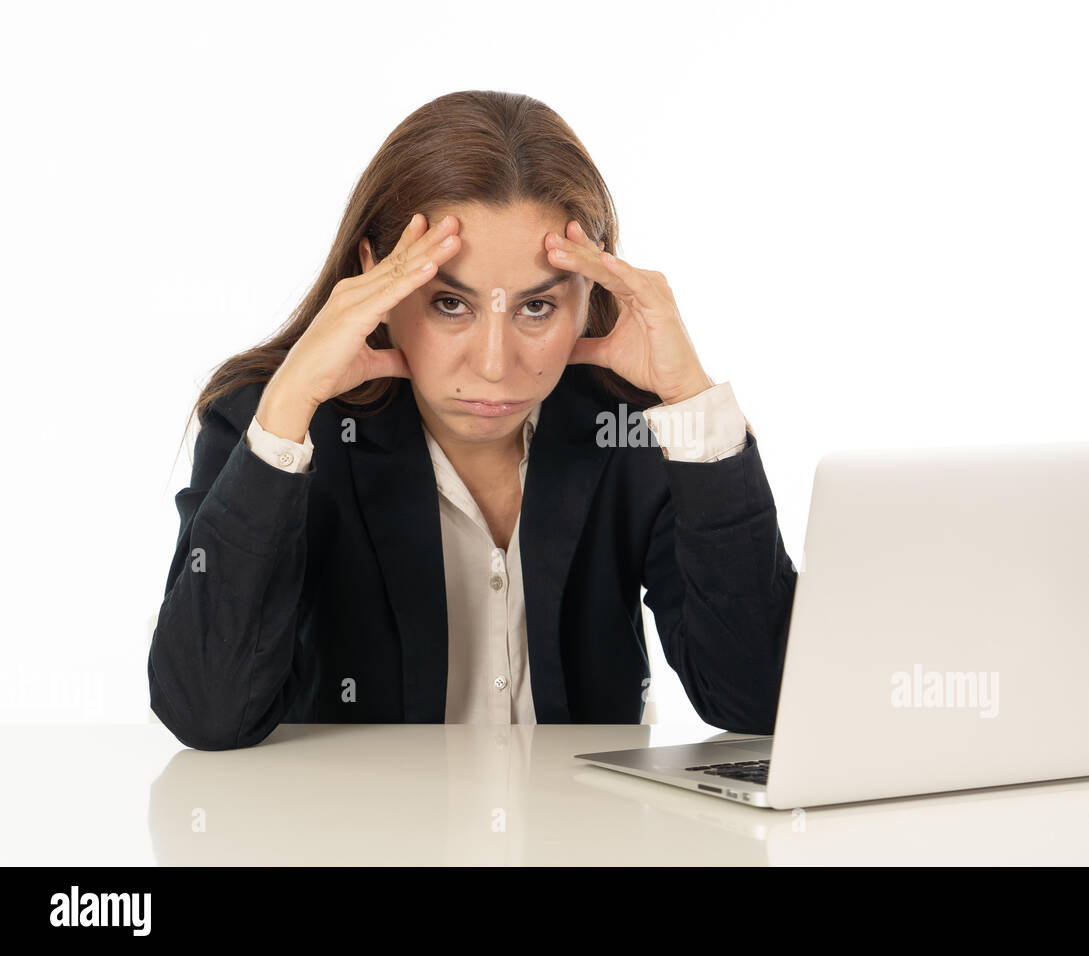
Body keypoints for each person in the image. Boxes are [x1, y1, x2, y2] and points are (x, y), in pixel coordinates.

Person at [148, 90, 798, 750]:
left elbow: (759, 701)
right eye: (451, 303)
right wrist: (287, 412)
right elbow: (208, 713)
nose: (495, 366)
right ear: (377, 277)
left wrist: (690, 401)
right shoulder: (277, 424)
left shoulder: (632, 426)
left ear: (592, 288)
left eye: (536, 309)